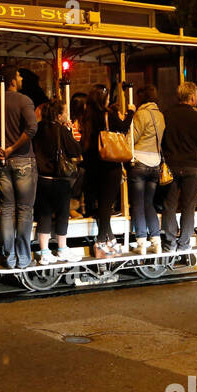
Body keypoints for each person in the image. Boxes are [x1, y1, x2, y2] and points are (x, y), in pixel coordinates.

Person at [79, 88, 129, 258]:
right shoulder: (108, 115)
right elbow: (123, 127)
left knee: (102, 206)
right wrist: (130, 112)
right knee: (107, 207)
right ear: (102, 100)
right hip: (109, 166)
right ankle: (101, 243)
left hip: (93, 168)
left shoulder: (85, 118)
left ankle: (111, 240)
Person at [161, 81, 197, 252]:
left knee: (170, 205)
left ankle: (169, 242)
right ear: (191, 97)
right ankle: (184, 243)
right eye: (196, 95)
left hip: (171, 166)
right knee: (189, 206)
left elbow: (161, 139)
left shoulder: (166, 115)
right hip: (191, 167)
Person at [32, 99, 82, 264]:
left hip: (42, 179)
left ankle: (45, 251)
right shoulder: (62, 130)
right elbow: (75, 150)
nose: (67, 114)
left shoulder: (38, 129)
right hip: (59, 179)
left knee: (44, 214)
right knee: (62, 214)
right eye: (65, 112)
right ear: (59, 115)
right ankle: (61, 249)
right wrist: (69, 131)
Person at [0, 67, 38, 269]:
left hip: (2, 162)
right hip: (22, 160)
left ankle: (9, 257)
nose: (21, 77)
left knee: (6, 209)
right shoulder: (24, 100)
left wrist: (4, 150)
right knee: (24, 210)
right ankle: (23, 257)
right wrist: (12, 148)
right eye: (19, 75)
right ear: (13, 80)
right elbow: (32, 128)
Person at [126, 83, 165, 255]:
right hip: (155, 164)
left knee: (138, 203)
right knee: (149, 203)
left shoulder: (141, 114)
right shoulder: (161, 116)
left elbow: (131, 139)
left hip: (140, 163)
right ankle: (156, 241)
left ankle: (141, 242)